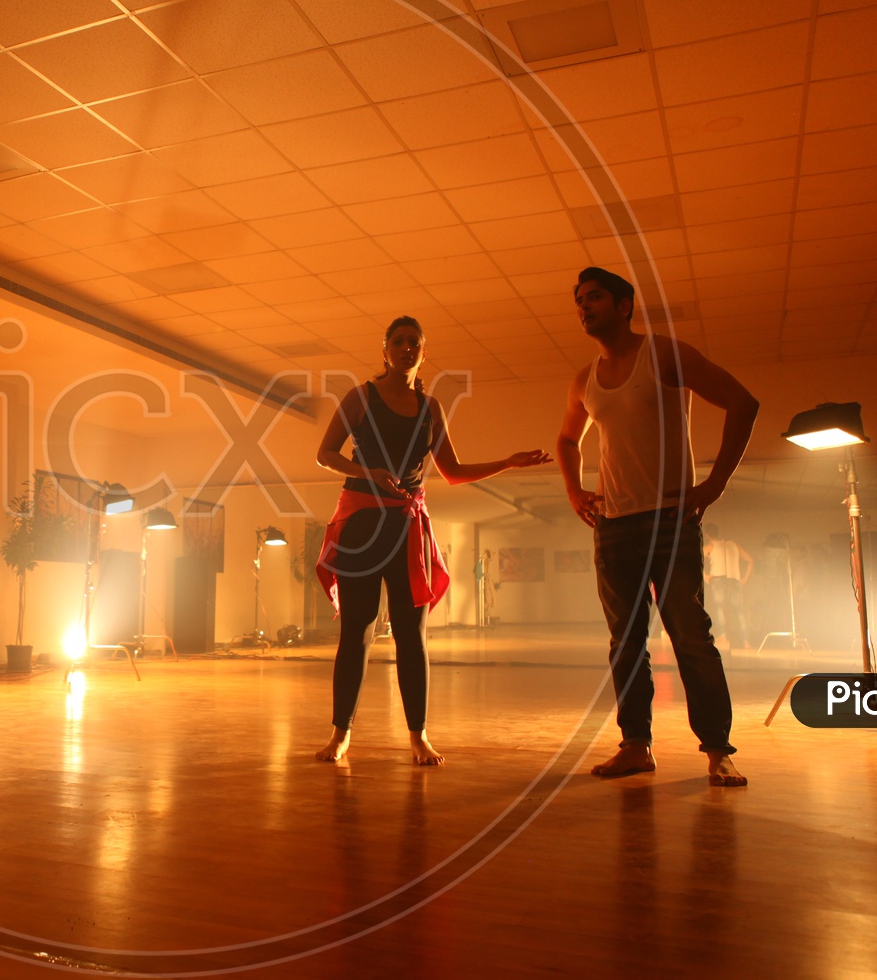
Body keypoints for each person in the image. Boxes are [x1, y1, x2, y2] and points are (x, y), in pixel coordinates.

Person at [314, 316, 550, 765]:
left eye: (414, 344)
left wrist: (507, 462)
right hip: (363, 524)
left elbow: (452, 471)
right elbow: (325, 455)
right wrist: (369, 473)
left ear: (423, 354)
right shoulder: (360, 397)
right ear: (385, 351)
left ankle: (418, 736)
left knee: (412, 635)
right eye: (398, 342)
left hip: (406, 529)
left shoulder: (431, 408)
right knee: (357, 631)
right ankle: (340, 734)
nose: (406, 348)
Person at [555, 267, 758, 787]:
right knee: (625, 642)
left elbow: (743, 403)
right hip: (613, 526)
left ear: (624, 305)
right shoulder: (584, 379)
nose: (584, 307)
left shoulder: (664, 354)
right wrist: (575, 490)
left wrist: (715, 484)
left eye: (594, 297)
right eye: (579, 300)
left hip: (670, 522)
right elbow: (567, 440)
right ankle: (635, 747)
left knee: (691, 638)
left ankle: (718, 751)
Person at [702, 524, 753, 648]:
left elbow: (697, 561)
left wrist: (705, 576)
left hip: (718, 579)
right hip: (734, 579)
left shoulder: (709, 546)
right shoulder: (732, 544)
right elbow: (750, 560)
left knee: (719, 608)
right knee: (739, 611)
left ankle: (723, 636)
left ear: (707, 534)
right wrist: (744, 578)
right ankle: (746, 642)